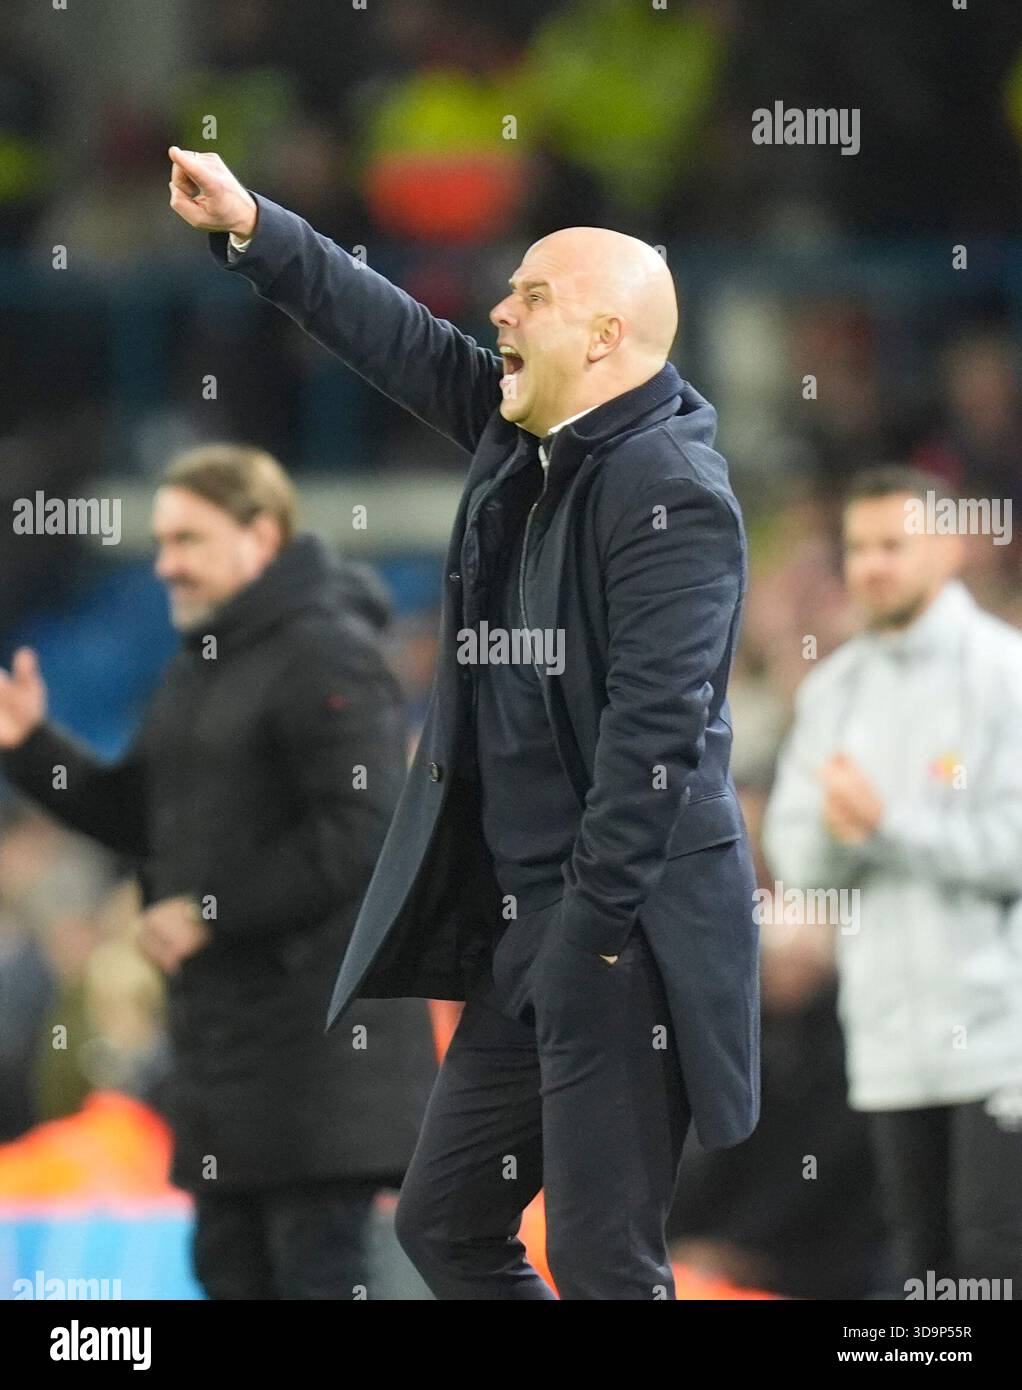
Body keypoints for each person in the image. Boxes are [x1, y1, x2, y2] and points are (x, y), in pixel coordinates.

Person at [168, 148, 759, 1300]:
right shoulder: (523, 435)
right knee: (443, 1224)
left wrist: (587, 932)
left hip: (616, 932)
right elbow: (397, 337)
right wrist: (256, 227)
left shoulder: (670, 490)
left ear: (600, 339)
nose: (497, 310)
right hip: (524, 928)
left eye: (530, 295)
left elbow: (654, 739)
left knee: (603, 1260)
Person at [0, 444, 438, 1299]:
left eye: (189, 540)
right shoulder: (199, 665)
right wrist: (32, 751)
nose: (165, 564)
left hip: (319, 1078)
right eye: (161, 541)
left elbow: (369, 832)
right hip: (226, 1074)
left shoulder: (331, 656)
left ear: (260, 535)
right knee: (231, 1277)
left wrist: (207, 911)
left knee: (316, 1278)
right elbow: (139, 816)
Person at [763, 465, 1022, 1297]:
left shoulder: (1005, 676)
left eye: (893, 545)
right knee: (923, 1270)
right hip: (887, 1039)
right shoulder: (836, 690)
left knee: (994, 1266)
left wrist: (885, 827)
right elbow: (797, 856)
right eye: (859, 548)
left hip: (999, 1043)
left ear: (946, 549)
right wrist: (846, 837)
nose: (872, 565)